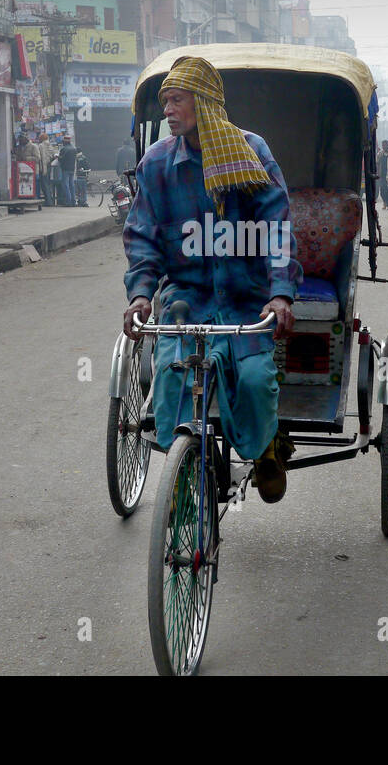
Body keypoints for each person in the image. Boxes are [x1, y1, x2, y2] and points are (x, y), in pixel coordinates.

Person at [122, 55, 301, 502]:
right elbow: (143, 235)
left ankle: (265, 451)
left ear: (203, 102)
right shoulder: (157, 164)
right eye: (164, 102)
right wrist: (142, 295)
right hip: (188, 297)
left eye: (176, 100)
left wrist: (280, 293)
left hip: (245, 298)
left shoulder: (252, 152)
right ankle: (183, 464)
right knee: (169, 375)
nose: (168, 110)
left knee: (257, 381)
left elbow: (277, 228)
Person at [58, 139, 77, 206]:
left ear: (64, 143)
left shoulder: (63, 149)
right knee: (71, 185)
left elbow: (61, 159)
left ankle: (68, 201)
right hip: (72, 169)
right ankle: (73, 201)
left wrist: (57, 157)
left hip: (65, 169)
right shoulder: (74, 149)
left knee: (65, 185)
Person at [378, 140, 388, 208]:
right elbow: (377, 163)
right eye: (382, 145)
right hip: (382, 175)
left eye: (385, 145)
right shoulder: (380, 154)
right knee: (382, 190)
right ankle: (384, 202)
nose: (383, 147)